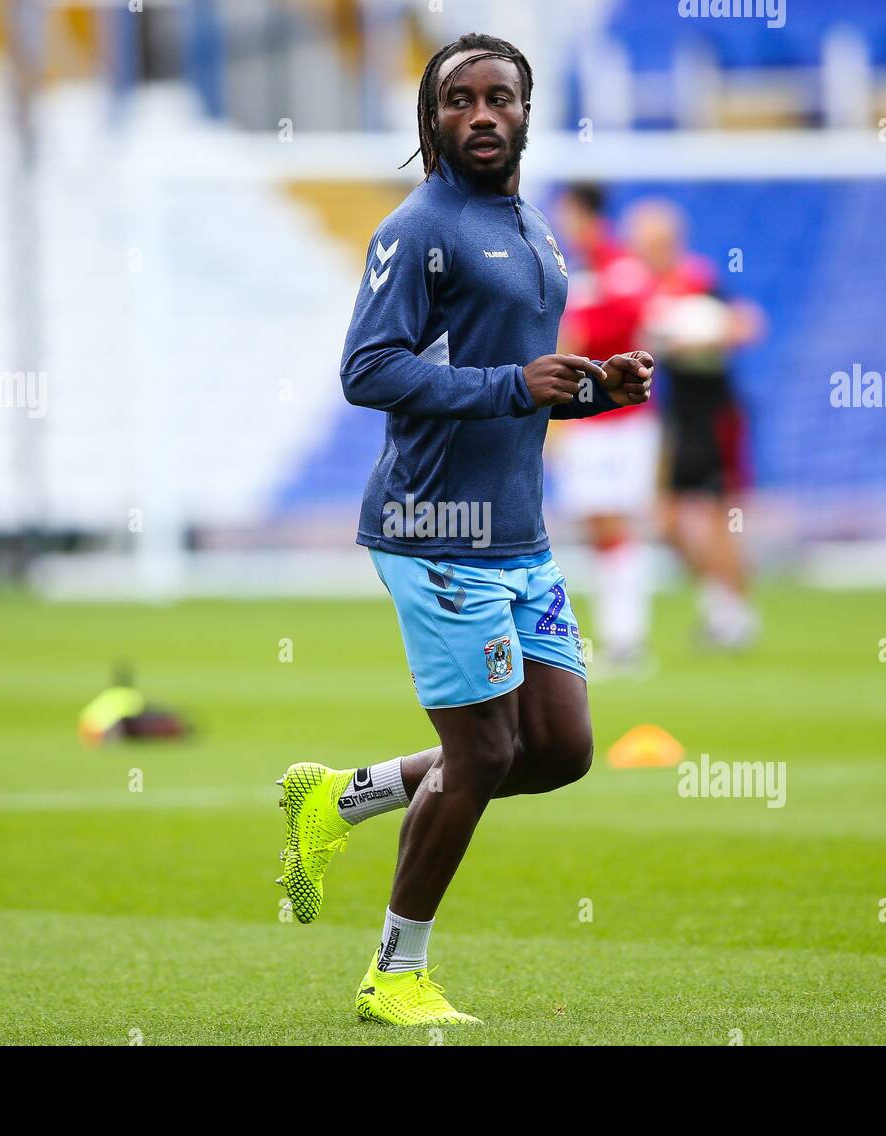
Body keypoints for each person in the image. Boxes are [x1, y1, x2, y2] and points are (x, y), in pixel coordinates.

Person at [277, 33, 653, 1027]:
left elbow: (513, 383)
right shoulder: (418, 227)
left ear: (527, 113)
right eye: (458, 100)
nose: (480, 114)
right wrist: (508, 383)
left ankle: (344, 796)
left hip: (518, 534)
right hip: (432, 525)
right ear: (431, 119)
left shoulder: (531, 225)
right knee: (483, 752)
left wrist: (587, 391)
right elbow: (368, 368)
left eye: (499, 97)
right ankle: (394, 971)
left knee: (560, 747)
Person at [628, 201, 763, 649]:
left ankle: (734, 614)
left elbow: (748, 325)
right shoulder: (645, 289)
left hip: (714, 413)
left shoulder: (697, 280)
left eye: (649, 241)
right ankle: (721, 603)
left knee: (719, 517)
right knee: (666, 522)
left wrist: (698, 337)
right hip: (675, 415)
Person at [551, 183, 659, 674]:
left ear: (581, 211)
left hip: (621, 421)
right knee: (597, 525)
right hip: (586, 420)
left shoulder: (619, 267)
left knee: (618, 523)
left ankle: (628, 638)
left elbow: (619, 329)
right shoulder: (578, 269)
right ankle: (617, 636)